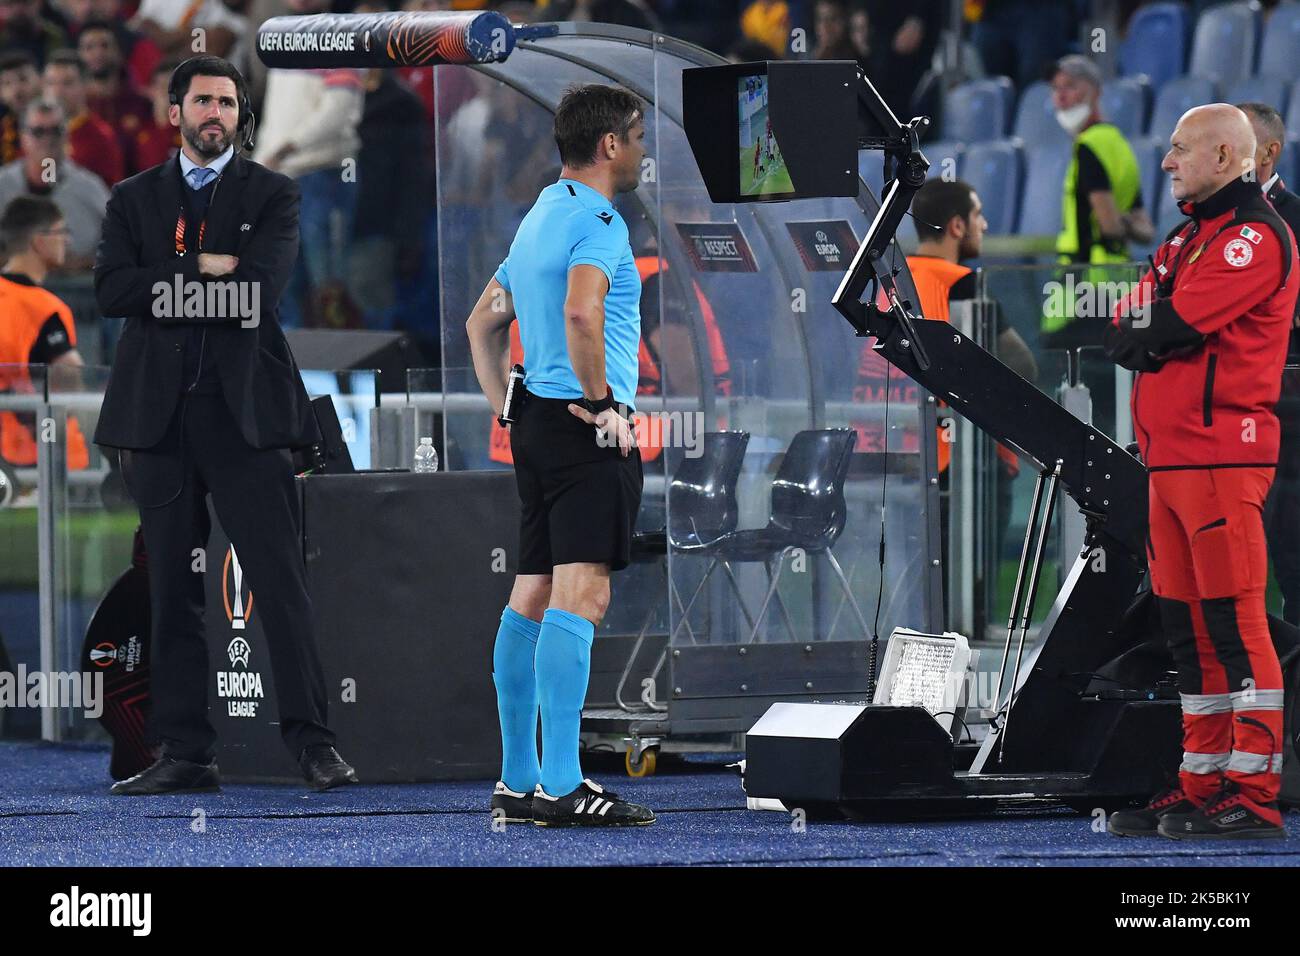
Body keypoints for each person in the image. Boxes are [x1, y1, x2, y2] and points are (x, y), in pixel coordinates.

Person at [93, 55, 357, 796]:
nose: (217, 114)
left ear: (243, 115)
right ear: (173, 112)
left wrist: (170, 287)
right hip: (158, 423)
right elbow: (111, 289)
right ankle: (184, 752)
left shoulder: (274, 193)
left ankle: (313, 744)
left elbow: (255, 294)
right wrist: (198, 274)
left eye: (230, 103)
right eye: (203, 101)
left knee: (280, 583)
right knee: (171, 591)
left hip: (248, 419)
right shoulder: (131, 197)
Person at [1104, 104, 1298, 840]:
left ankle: (1254, 797)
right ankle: (1203, 780)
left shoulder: (1255, 237)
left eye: (1180, 149)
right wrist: (1150, 331)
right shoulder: (1190, 238)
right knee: (1187, 630)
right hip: (1171, 462)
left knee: (1237, 626)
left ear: (1225, 156)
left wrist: (1153, 330)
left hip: (1222, 459)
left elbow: (1174, 323)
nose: (1166, 162)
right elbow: (1124, 327)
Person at [466, 84, 655, 827]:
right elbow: (582, 311)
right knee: (584, 597)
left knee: (532, 594)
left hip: (536, 425)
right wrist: (605, 402)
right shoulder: (601, 223)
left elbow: (482, 324)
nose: (642, 150)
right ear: (609, 145)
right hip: (585, 427)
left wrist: (500, 404)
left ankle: (519, 780)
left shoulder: (538, 214)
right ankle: (563, 784)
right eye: (637, 137)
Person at [852, 178, 1038, 627]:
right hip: (955, 460)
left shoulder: (890, 278)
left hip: (888, 450)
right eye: (978, 217)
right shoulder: (960, 282)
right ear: (957, 226)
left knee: (908, 594)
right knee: (961, 605)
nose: (985, 225)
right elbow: (1021, 364)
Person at [1238, 101, 1300, 629]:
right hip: (1222, 414)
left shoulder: (1296, 220)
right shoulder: (1197, 229)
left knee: (1290, 550)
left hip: (1286, 410)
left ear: (1268, 151)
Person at [0, 195, 89, 473]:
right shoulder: (44, 308)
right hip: (42, 458)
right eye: (61, 231)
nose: (67, 240)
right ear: (39, 241)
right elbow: (69, 376)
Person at [0, 99, 109, 270]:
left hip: (78, 291)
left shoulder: (89, 188)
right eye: (38, 132)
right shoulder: (3, 185)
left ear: (66, 135)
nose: (48, 139)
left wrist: (83, 263)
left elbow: (120, 247)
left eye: (56, 131)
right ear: (22, 137)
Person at [43, 50, 125, 188]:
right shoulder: (34, 133)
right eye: (51, 83)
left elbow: (110, 193)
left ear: (84, 86)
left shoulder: (101, 137)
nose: (57, 91)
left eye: (67, 83)